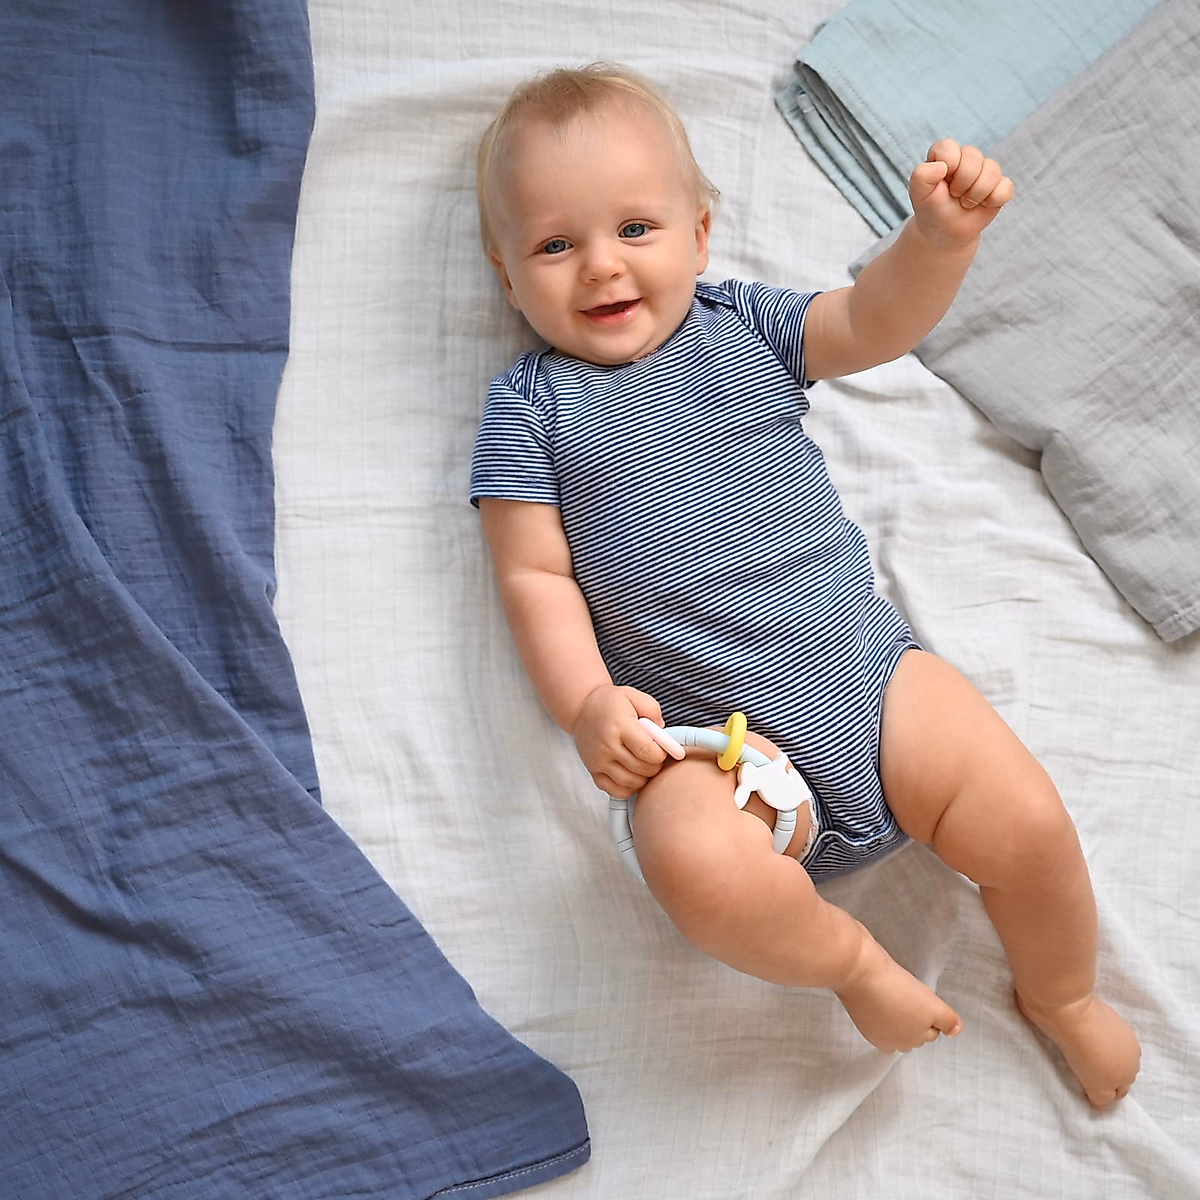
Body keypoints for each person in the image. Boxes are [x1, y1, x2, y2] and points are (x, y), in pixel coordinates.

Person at [468, 62, 1140, 1108]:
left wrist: (937, 243)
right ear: (508, 278)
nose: (601, 265)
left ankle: (1065, 994)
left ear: (700, 233)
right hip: (713, 753)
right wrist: (587, 703)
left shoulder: (743, 327)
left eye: (636, 228)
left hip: (871, 687)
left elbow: (872, 320)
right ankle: (855, 967)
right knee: (691, 863)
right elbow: (534, 576)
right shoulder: (528, 410)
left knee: (1029, 822)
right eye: (556, 245)